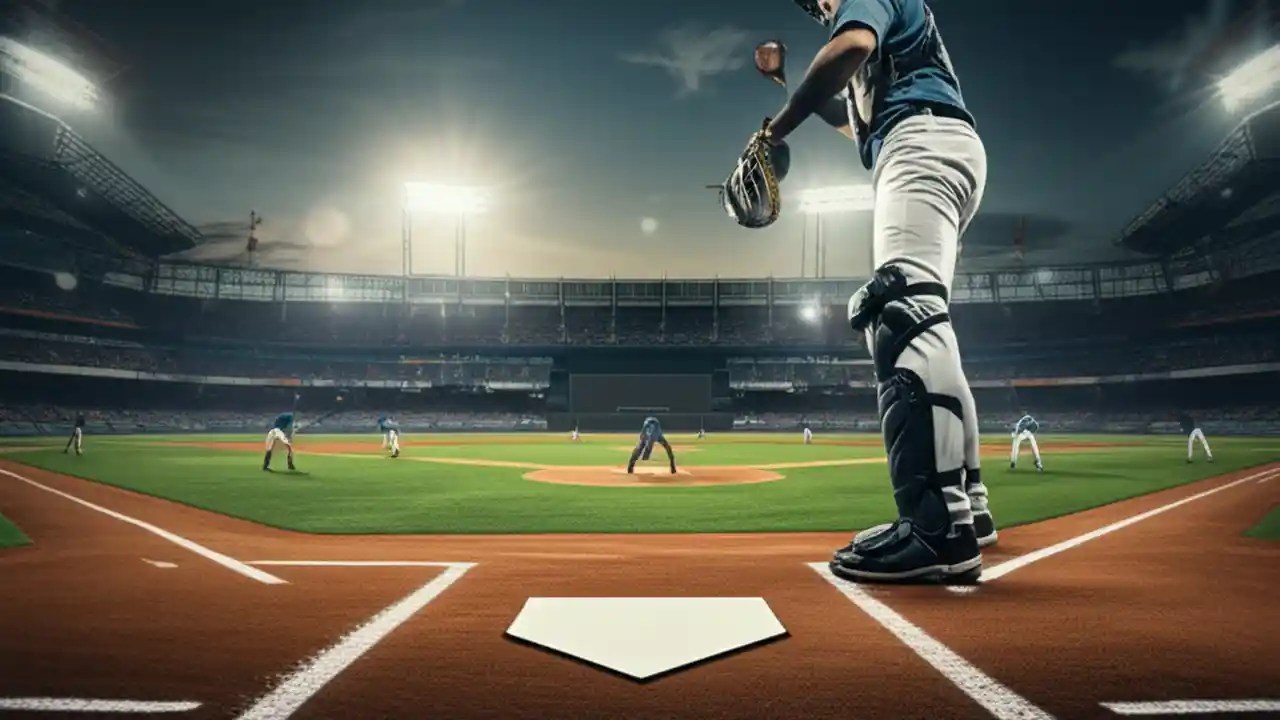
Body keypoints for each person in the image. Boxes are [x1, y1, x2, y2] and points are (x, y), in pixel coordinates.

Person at [766, 0, 992, 581]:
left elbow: (849, 49)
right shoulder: (892, 55)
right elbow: (852, 121)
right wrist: (790, 85)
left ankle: (937, 527)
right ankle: (970, 505)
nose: (818, 8)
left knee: (901, 313)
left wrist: (774, 129)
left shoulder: (866, 12)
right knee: (927, 319)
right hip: (935, 143)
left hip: (919, 143)